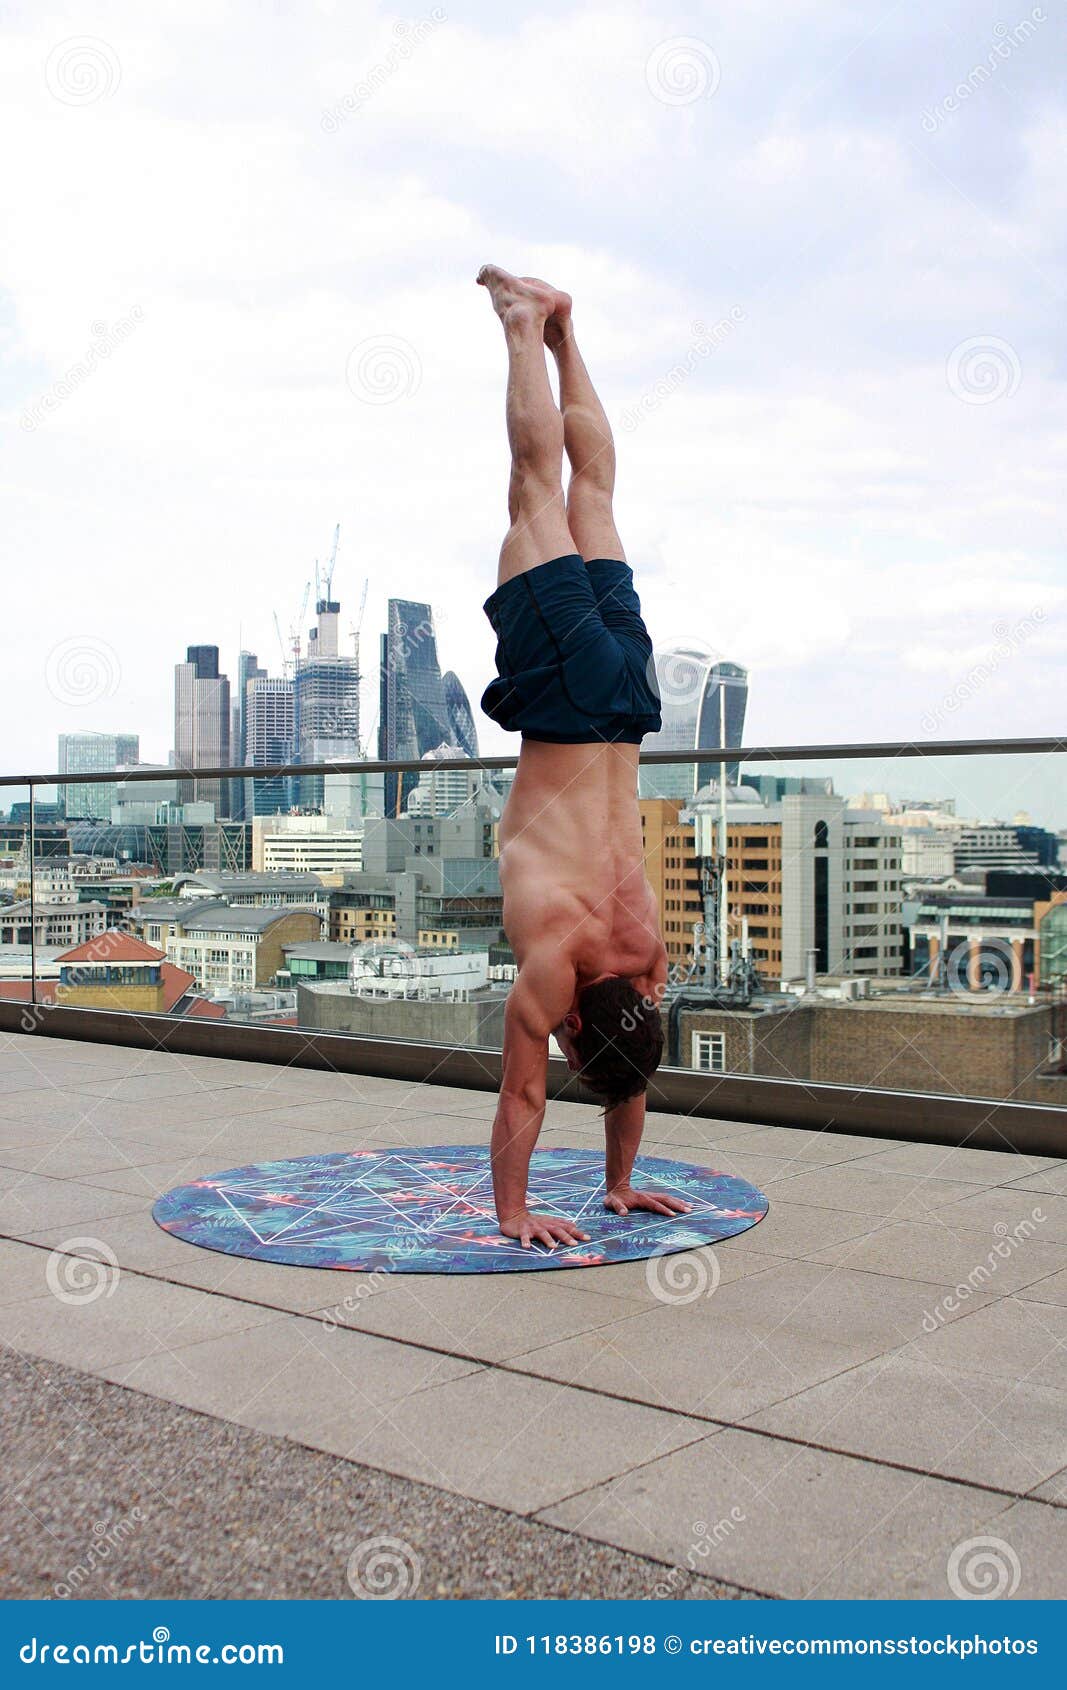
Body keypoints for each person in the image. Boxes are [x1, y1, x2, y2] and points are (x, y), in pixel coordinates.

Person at [477, 263, 692, 1250]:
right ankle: (524, 323)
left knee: (596, 495)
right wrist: (513, 1212)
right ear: (571, 1027)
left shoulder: (646, 962)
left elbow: (630, 1063)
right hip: (564, 705)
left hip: (628, 708)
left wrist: (619, 1183)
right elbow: (524, 1095)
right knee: (536, 492)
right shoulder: (555, 964)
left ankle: (565, 332)